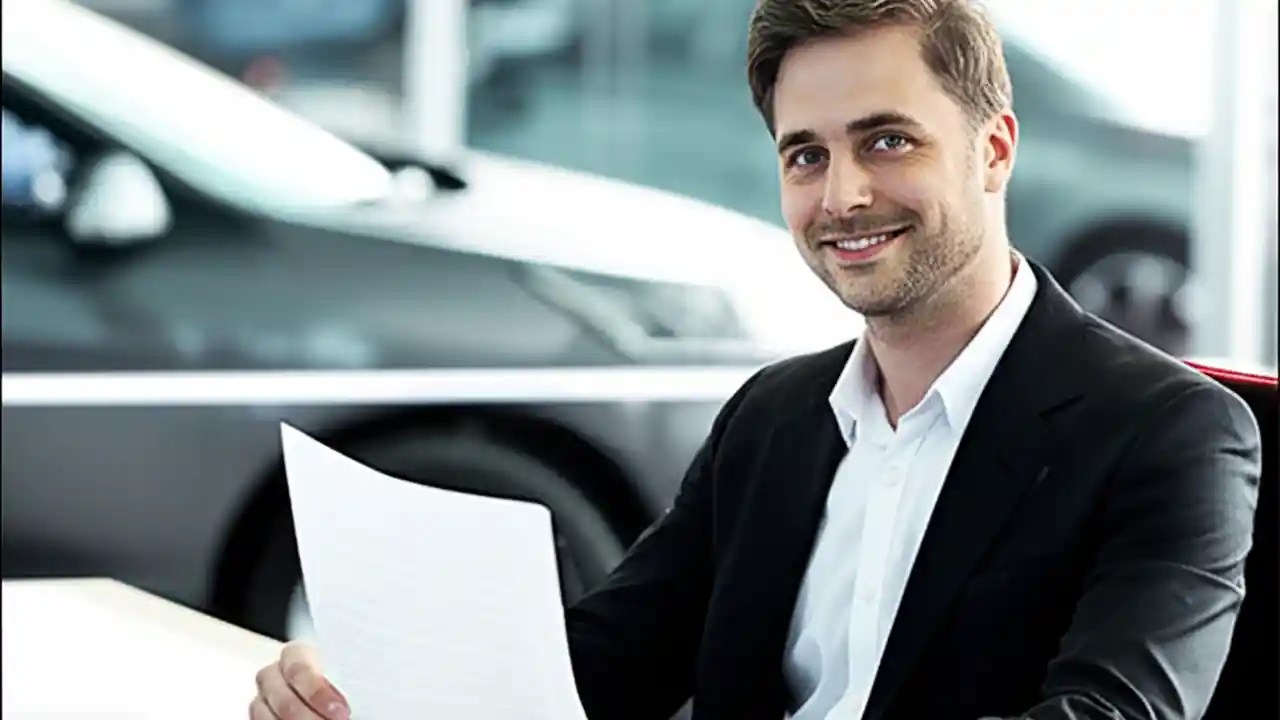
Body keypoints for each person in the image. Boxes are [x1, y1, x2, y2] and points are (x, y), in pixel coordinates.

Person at [248, 1, 1262, 718]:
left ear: (992, 148)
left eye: (888, 141)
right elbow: (595, 672)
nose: (842, 196)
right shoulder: (772, 417)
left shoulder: (1167, 433)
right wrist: (368, 688)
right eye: (805, 154)